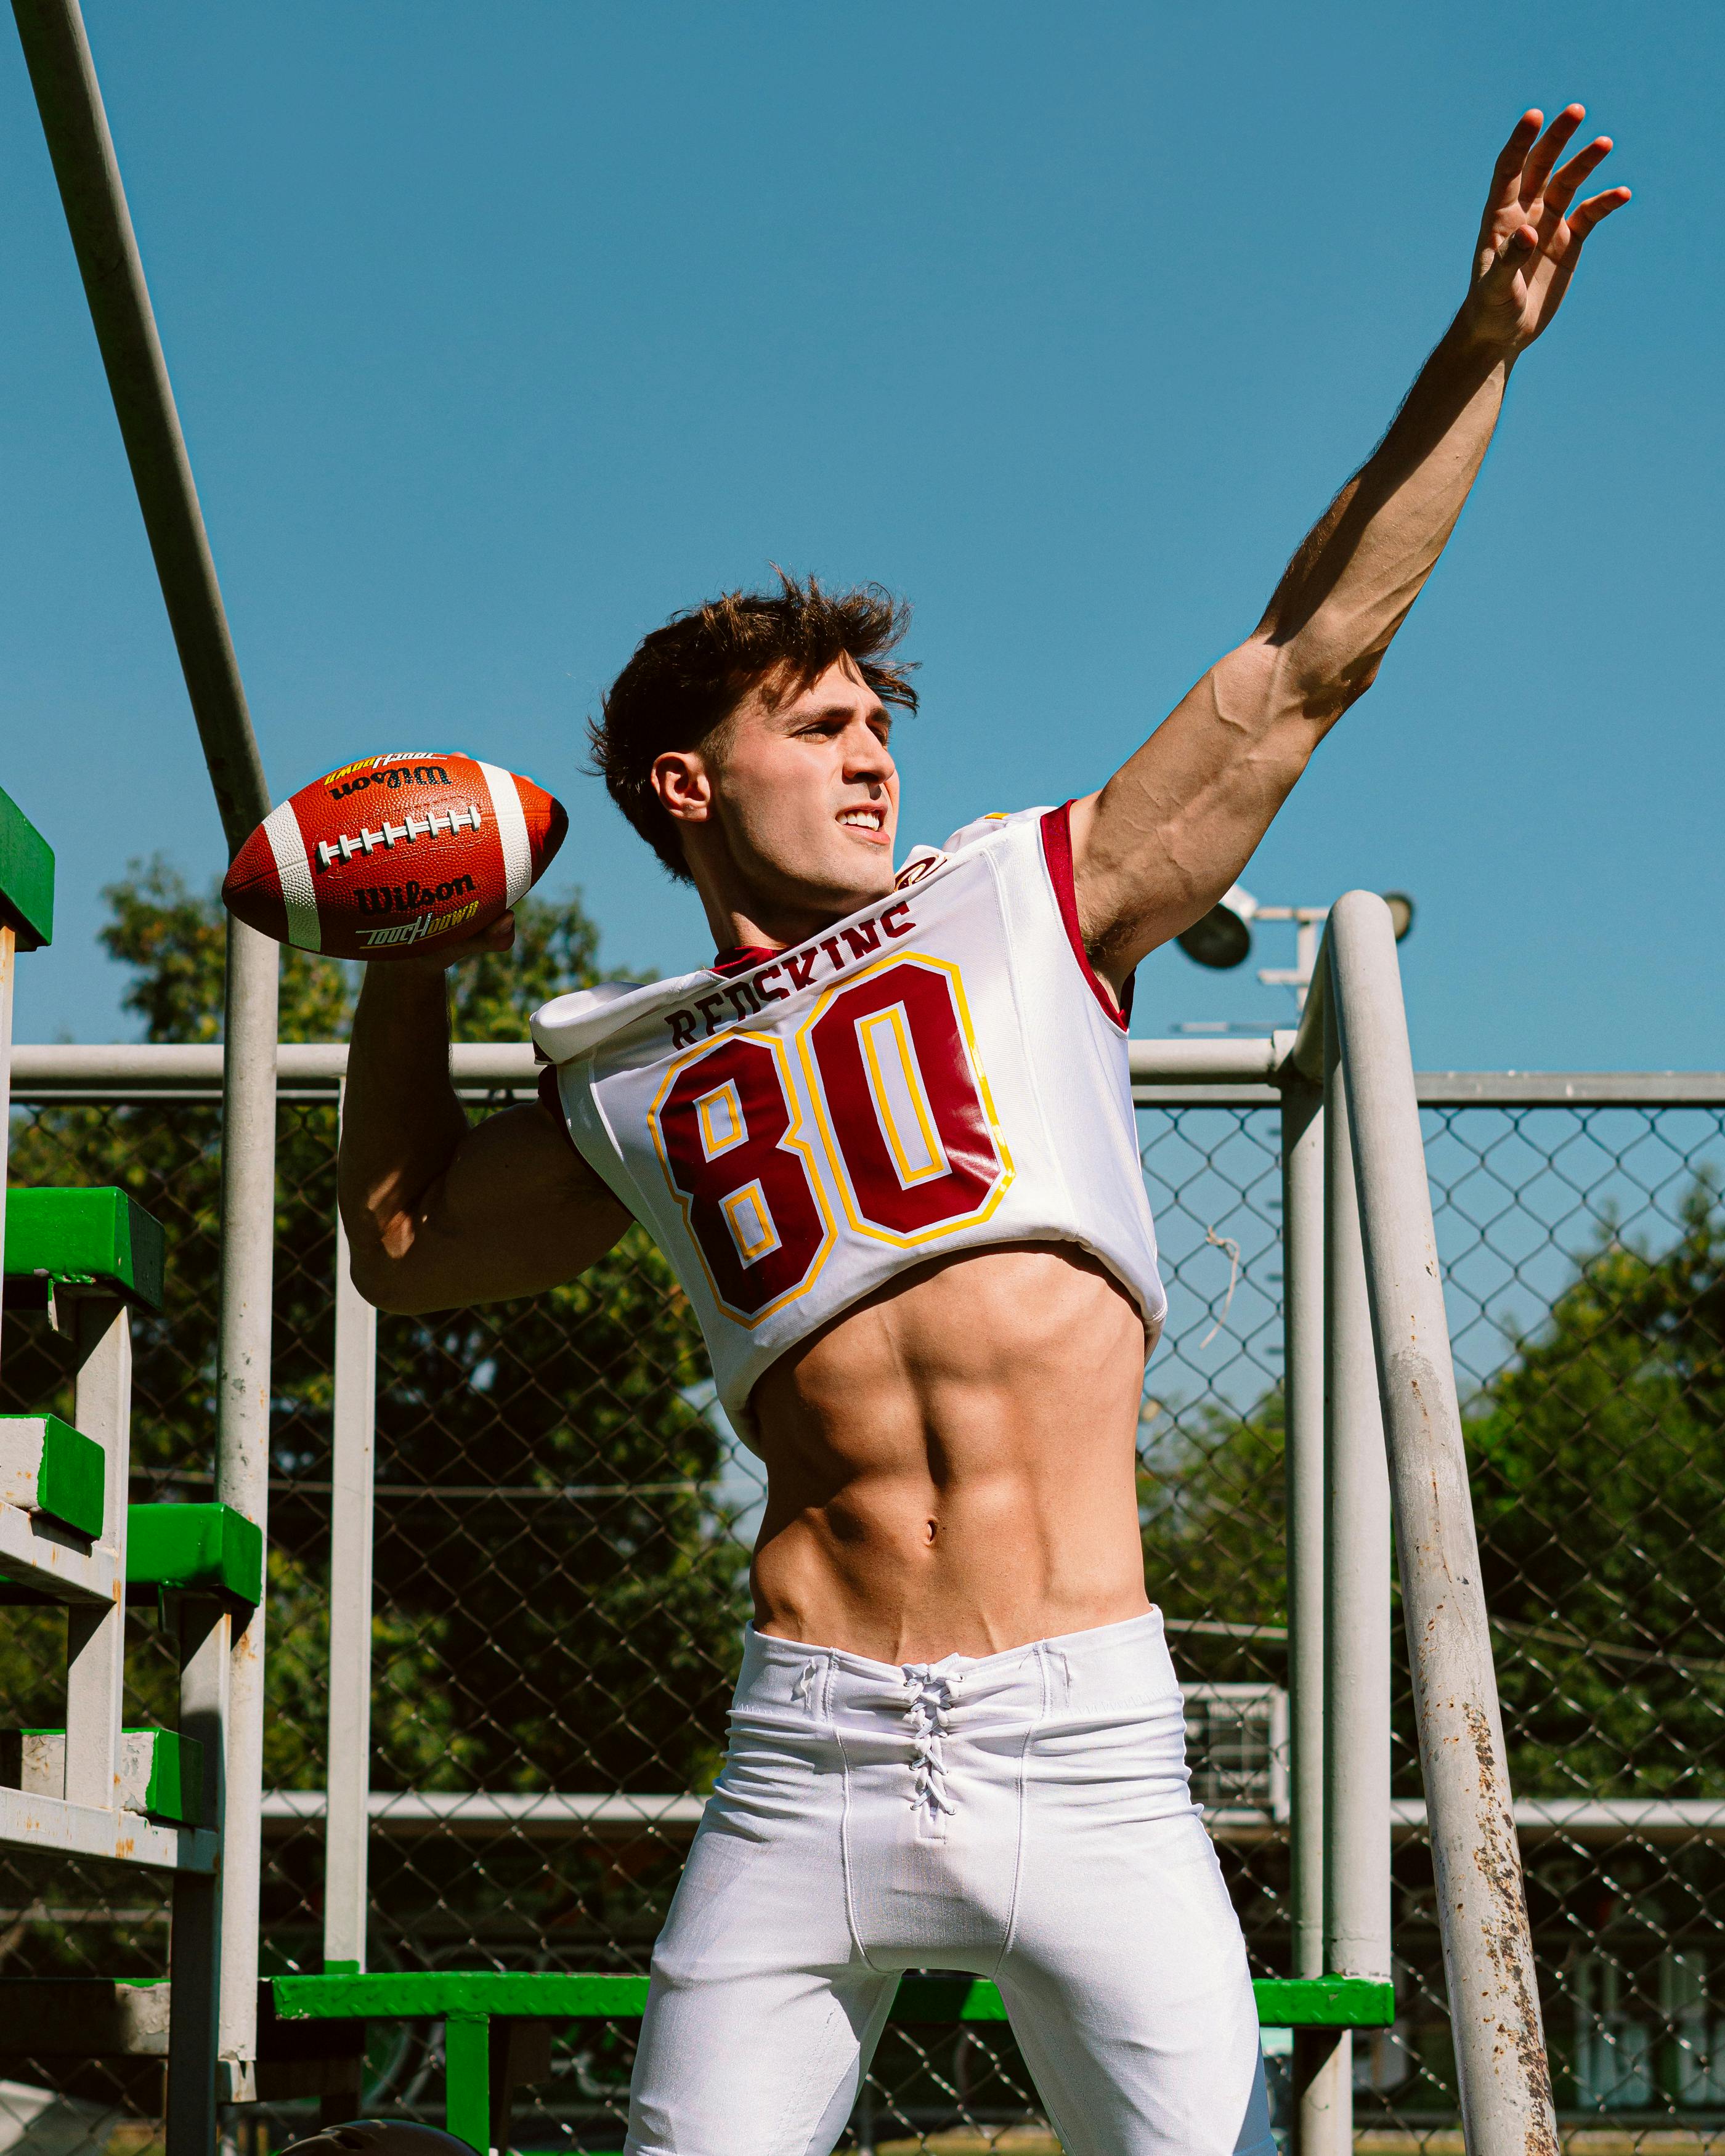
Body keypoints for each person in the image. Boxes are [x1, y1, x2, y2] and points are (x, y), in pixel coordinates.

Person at [339, 107, 1628, 2156]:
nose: (874, 752)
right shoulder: (623, 1062)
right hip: (813, 1743)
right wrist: (401, 954)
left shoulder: (1023, 898)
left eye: (882, 721)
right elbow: (402, 1246)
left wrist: (1478, 351)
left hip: (1090, 1736)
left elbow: (1306, 663)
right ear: (685, 783)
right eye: (822, 723)